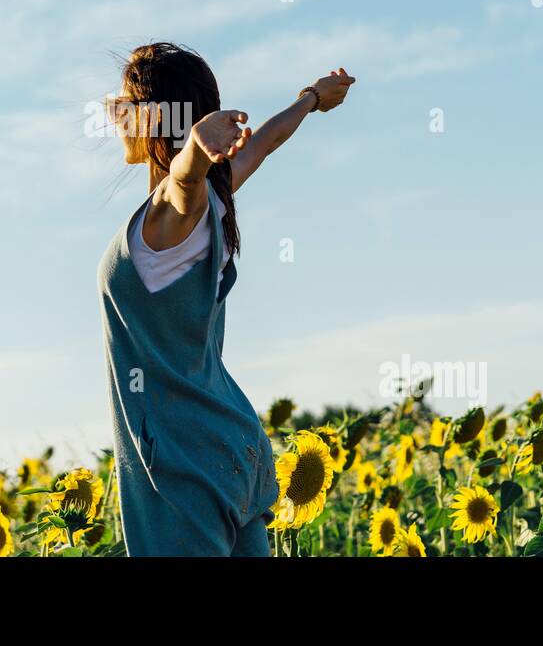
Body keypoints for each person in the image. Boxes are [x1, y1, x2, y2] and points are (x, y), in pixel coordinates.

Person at [97, 42, 355, 555]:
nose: (112, 113)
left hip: (181, 470)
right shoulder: (217, 198)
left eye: (124, 102)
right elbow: (266, 141)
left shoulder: (175, 213)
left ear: (157, 118)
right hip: (233, 452)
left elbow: (182, 181)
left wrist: (192, 150)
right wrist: (313, 97)